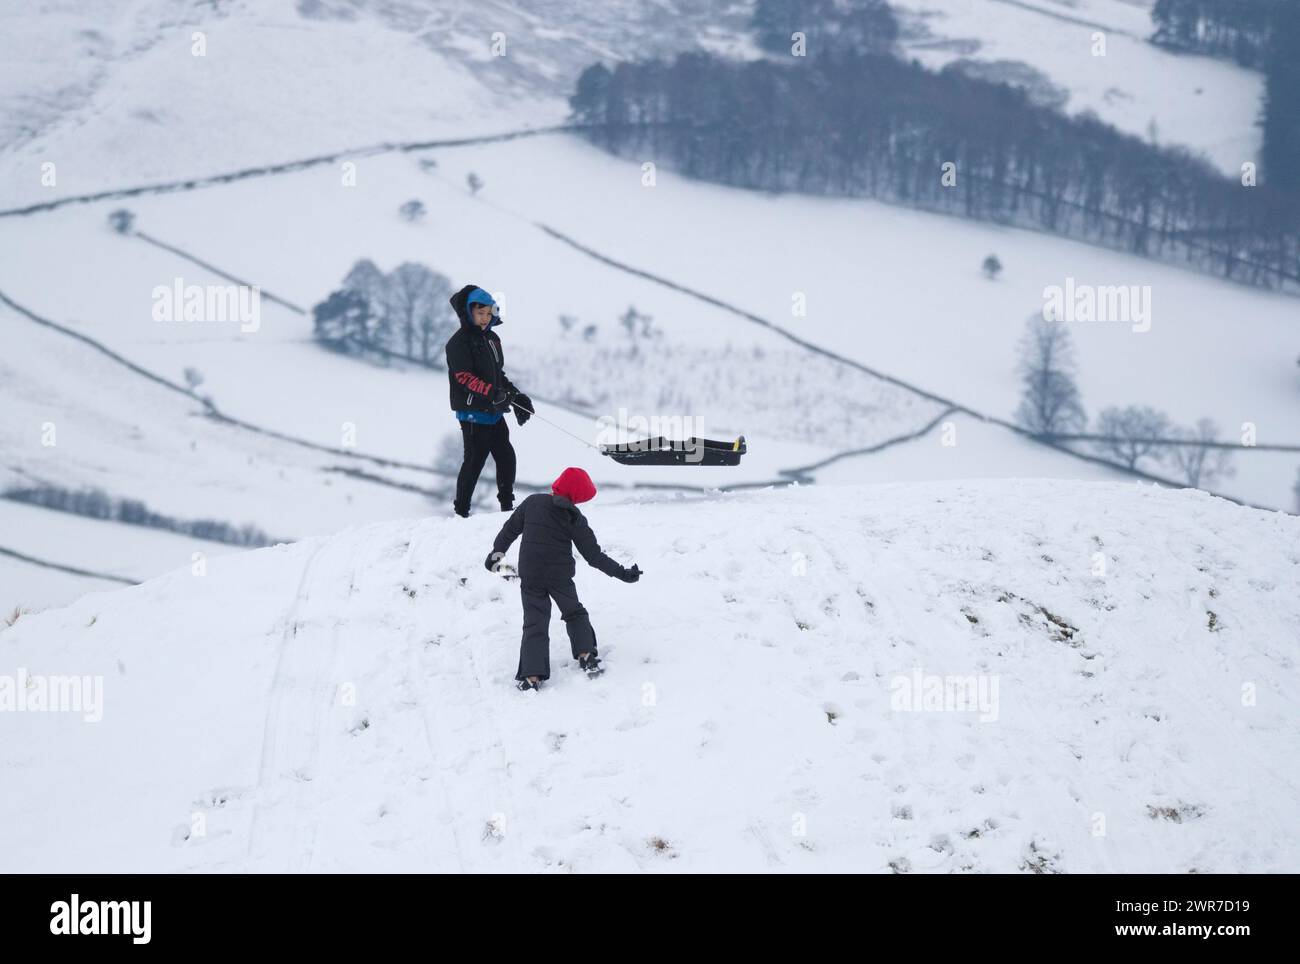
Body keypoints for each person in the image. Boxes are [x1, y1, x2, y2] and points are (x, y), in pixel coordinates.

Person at [486, 466, 642, 691]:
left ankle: (531, 677)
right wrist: (624, 574)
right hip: (560, 577)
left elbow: (509, 530)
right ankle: (586, 654)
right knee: (574, 612)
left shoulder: (532, 502)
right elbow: (594, 556)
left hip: (531, 574)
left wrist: (495, 555)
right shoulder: (574, 517)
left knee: (534, 623)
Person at [444, 284, 534, 517]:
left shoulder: (492, 339)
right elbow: (464, 378)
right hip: (473, 412)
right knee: (474, 461)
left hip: (493, 412)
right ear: (468, 312)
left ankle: (506, 506)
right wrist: (493, 394)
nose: (485, 318)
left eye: (488, 313)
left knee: (506, 456)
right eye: (480, 313)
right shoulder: (458, 343)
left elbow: (498, 374)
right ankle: (461, 511)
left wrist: (515, 397)